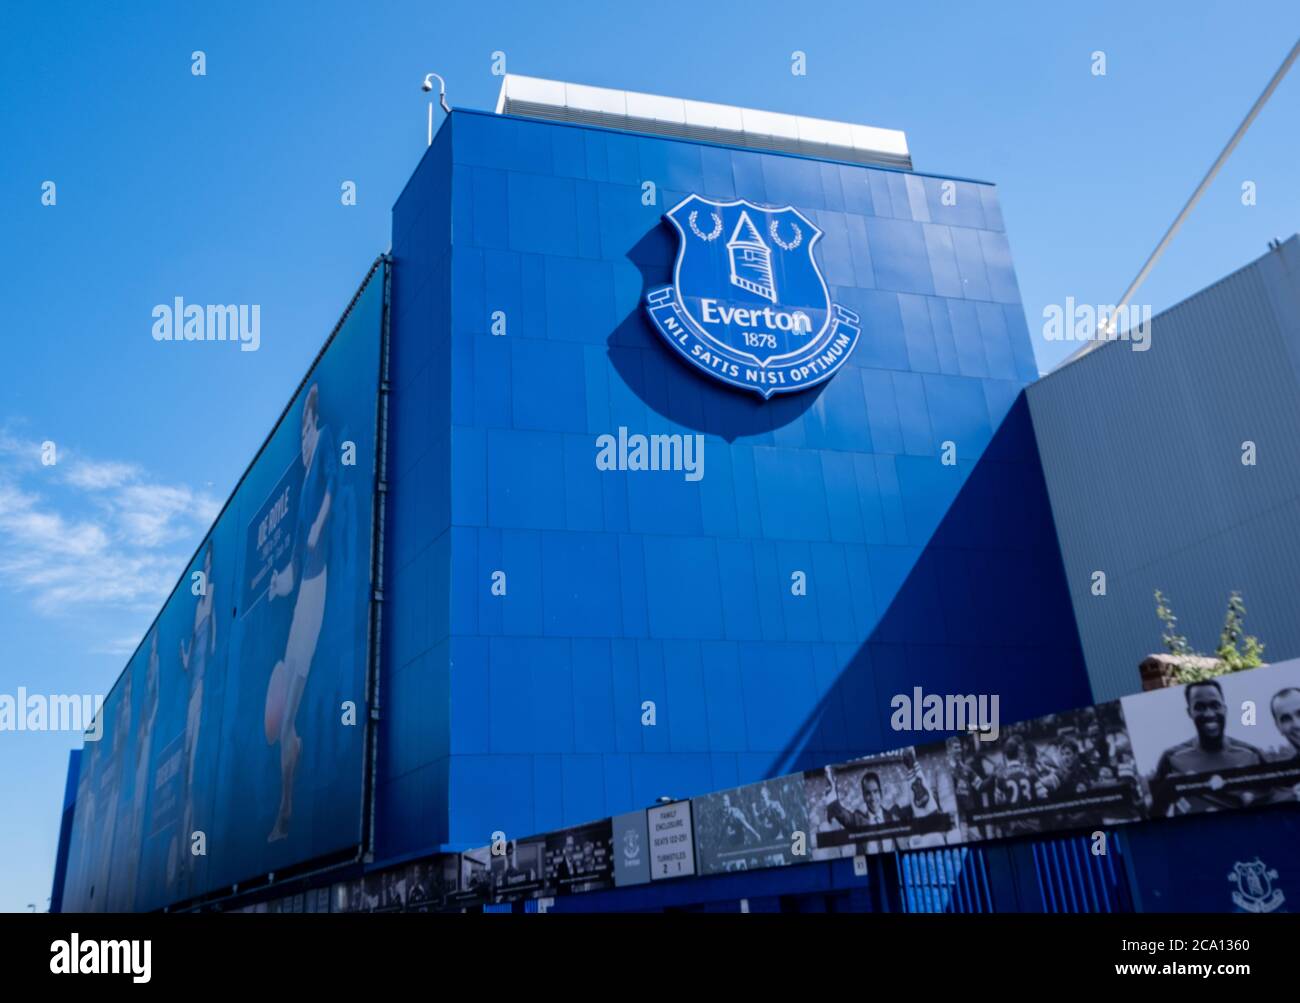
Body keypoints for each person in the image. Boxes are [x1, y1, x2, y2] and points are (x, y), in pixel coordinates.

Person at [265, 384, 338, 842]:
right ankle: (285, 808)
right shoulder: (300, 484)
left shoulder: (327, 439)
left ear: (314, 426)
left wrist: (316, 525)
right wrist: (279, 582)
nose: (303, 442)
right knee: (285, 725)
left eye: (304, 432)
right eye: (300, 437)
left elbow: (335, 484)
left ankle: (286, 810)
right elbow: (292, 567)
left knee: (289, 717)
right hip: (299, 596)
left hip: (317, 592)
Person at [1150, 679, 1266, 815]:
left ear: (1224, 709)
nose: (1209, 714)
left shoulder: (1252, 754)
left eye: (1215, 705)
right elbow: (1155, 813)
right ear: (1189, 712)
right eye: (1199, 707)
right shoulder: (1170, 758)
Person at [178, 542, 216, 869]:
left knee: (192, 778)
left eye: (207, 564)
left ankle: (193, 854)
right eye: (202, 565)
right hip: (192, 691)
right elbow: (192, 658)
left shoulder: (213, 597)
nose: (204, 571)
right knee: (186, 772)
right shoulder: (195, 611)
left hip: (201, 691)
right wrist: (185, 657)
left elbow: (214, 643)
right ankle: (186, 851)